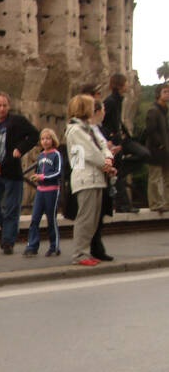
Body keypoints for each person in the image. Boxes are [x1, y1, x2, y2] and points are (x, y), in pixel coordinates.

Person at [0, 93, 38, 253]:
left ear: (9, 106)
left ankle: (8, 242)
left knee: (12, 208)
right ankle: (9, 229)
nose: (2, 108)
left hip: (12, 171)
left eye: (4, 105)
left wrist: (20, 148)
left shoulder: (17, 121)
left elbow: (34, 135)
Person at [65, 93, 116, 266]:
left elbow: (102, 145)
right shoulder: (75, 130)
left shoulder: (89, 128)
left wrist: (107, 159)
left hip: (96, 177)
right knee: (85, 218)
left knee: (93, 219)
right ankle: (79, 254)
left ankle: (86, 251)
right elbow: (90, 151)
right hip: (85, 178)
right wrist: (105, 164)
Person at [101, 73, 148, 211]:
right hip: (114, 142)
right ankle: (124, 205)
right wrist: (109, 138)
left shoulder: (119, 100)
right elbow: (103, 122)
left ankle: (121, 172)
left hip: (122, 140)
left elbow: (117, 121)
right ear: (120, 84)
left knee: (144, 154)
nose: (128, 85)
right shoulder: (110, 101)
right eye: (126, 82)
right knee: (118, 174)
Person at [23, 128, 62, 256]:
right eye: (43, 139)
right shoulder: (40, 155)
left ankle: (54, 246)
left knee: (51, 219)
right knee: (35, 218)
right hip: (40, 190)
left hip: (52, 190)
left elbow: (58, 172)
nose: (45, 141)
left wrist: (43, 177)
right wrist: (37, 176)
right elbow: (40, 170)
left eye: (48, 138)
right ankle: (32, 245)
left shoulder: (56, 154)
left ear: (53, 140)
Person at [145, 83, 169, 213]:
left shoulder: (164, 109)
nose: (167, 94)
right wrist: (160, 144)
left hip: (165, 149)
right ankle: (155, 203)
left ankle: (166, 202)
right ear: (158, 94)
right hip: (155, 150)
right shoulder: (153, 110)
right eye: (165, 92)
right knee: (155, 177)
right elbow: (151, 130)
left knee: (167, 177)